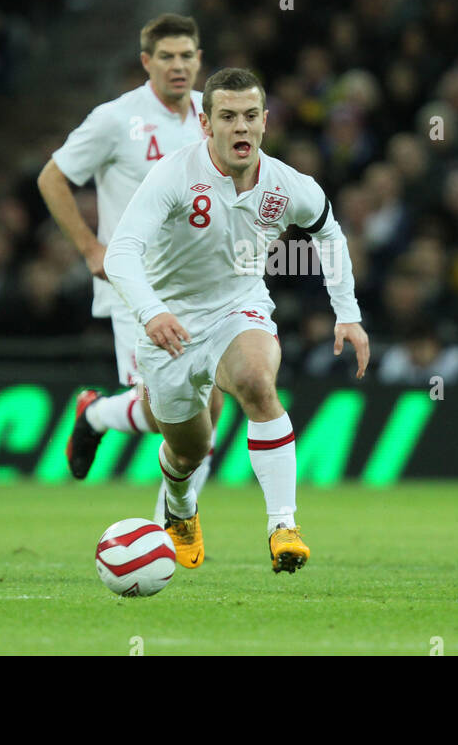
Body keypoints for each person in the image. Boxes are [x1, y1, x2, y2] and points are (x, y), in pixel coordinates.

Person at [103, 67, 368, 572]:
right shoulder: (173, 175)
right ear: (205, 124)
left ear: (265, 122)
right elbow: (121, 254)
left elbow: (329, 235)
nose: (240, 127)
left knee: (254, 380)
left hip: (238, 306)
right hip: (169, 324)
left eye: (250, 116)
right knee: (189, 451)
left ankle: (283, 526)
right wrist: (152, 311)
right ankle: (180, 509)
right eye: (227, 116)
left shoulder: (290, 185)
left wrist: (347, 314)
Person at [38, 14, 226, 522]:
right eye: (166, 56)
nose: (179, 65)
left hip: (201, 285)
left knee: (208, 408)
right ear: (147, 62)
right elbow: (52, 179)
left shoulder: (212, 120)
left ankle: (172, 525)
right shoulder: (115, 118)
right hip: (135, 284)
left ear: (200, 60)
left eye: (187, 55)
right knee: (166, 413)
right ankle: (96, 414)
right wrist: (89, 248)